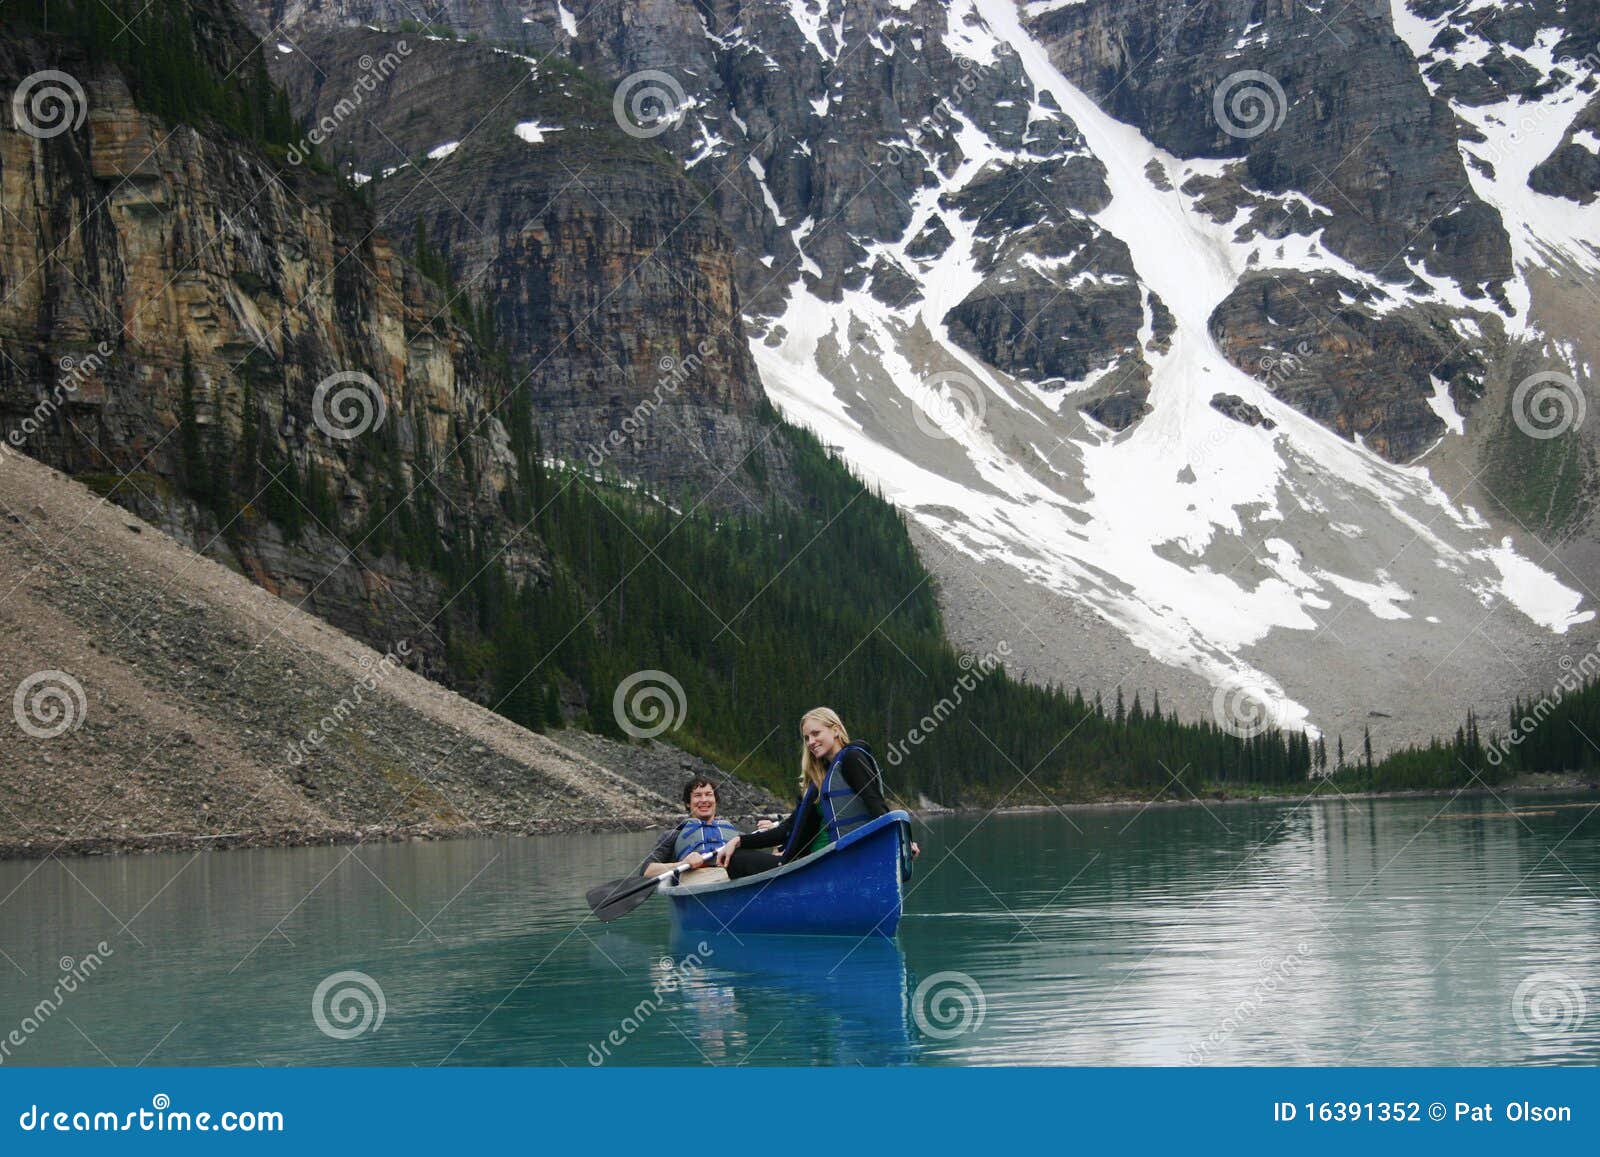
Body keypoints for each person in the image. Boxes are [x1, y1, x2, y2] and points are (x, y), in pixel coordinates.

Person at [716, 707, 919, 879]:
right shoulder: (819, 781)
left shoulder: (852, 758)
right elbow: (787, 829)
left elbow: (876, 803)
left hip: (832, 862)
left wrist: (903, 842)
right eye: (806, 738)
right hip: (812, 863)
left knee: (736, 860)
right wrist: (740, 840)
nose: (810, 742)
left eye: (816, 733)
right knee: (736, 854)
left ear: (836, 730)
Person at [642, 777, 743, 877]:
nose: (704, 800)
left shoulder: (737, 836)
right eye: (697, 795)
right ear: (688, 803)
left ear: (715, 800)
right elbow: (647, 871)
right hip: (697, 880)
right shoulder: (673, 835)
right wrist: (682, 864)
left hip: (734, 876)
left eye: (708, 795)